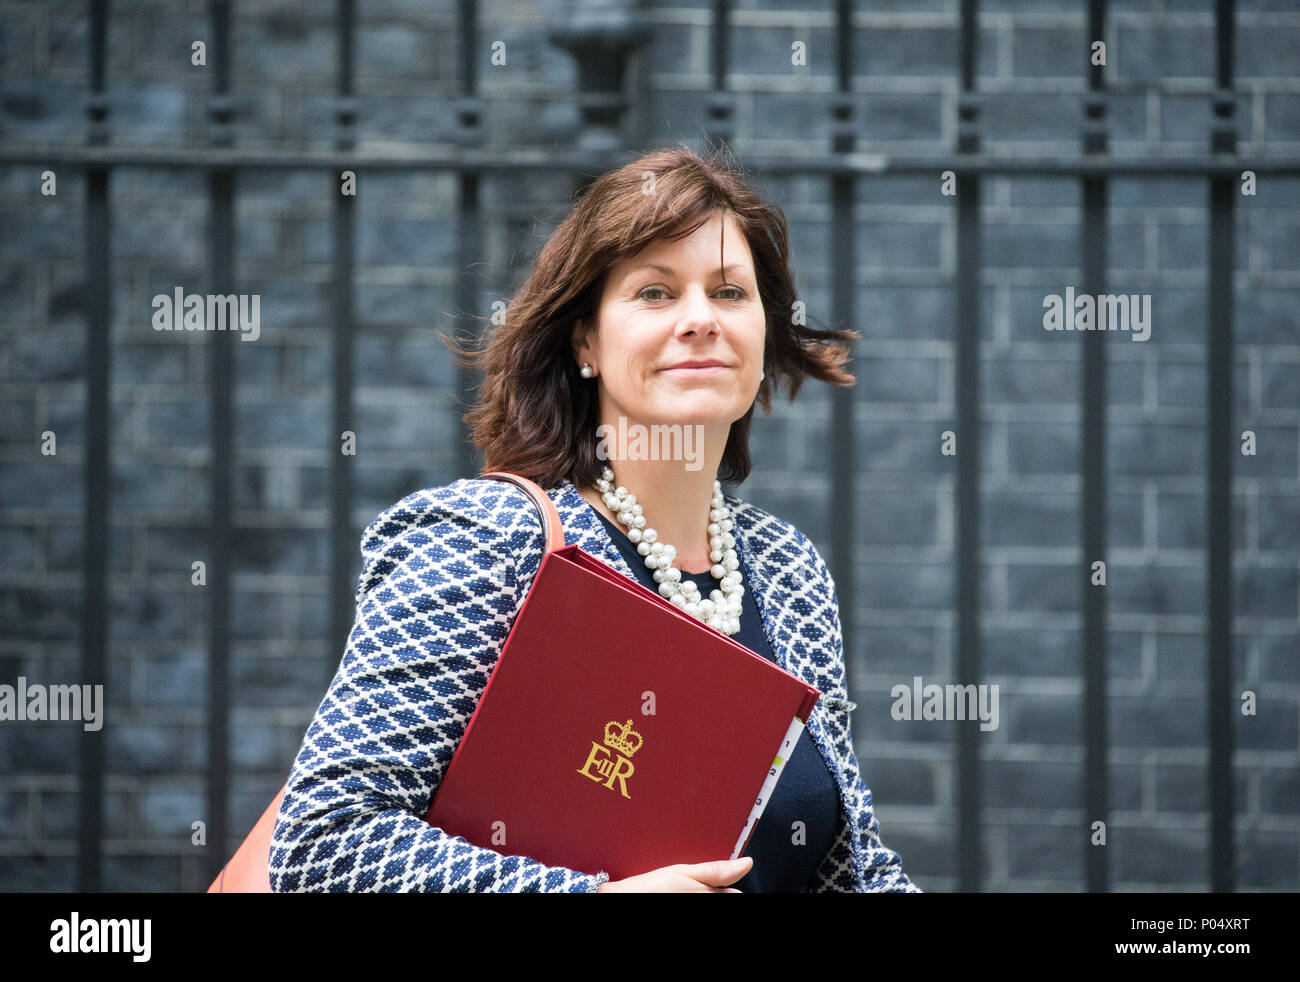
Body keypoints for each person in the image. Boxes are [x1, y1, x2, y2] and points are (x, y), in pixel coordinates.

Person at [268, 142, 920, 893]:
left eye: (730, 292)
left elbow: (854, 867)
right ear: (586, 341)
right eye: (655, 293)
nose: (701, 319)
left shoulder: (788, 571)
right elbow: (324, 844)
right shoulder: (487, 541)